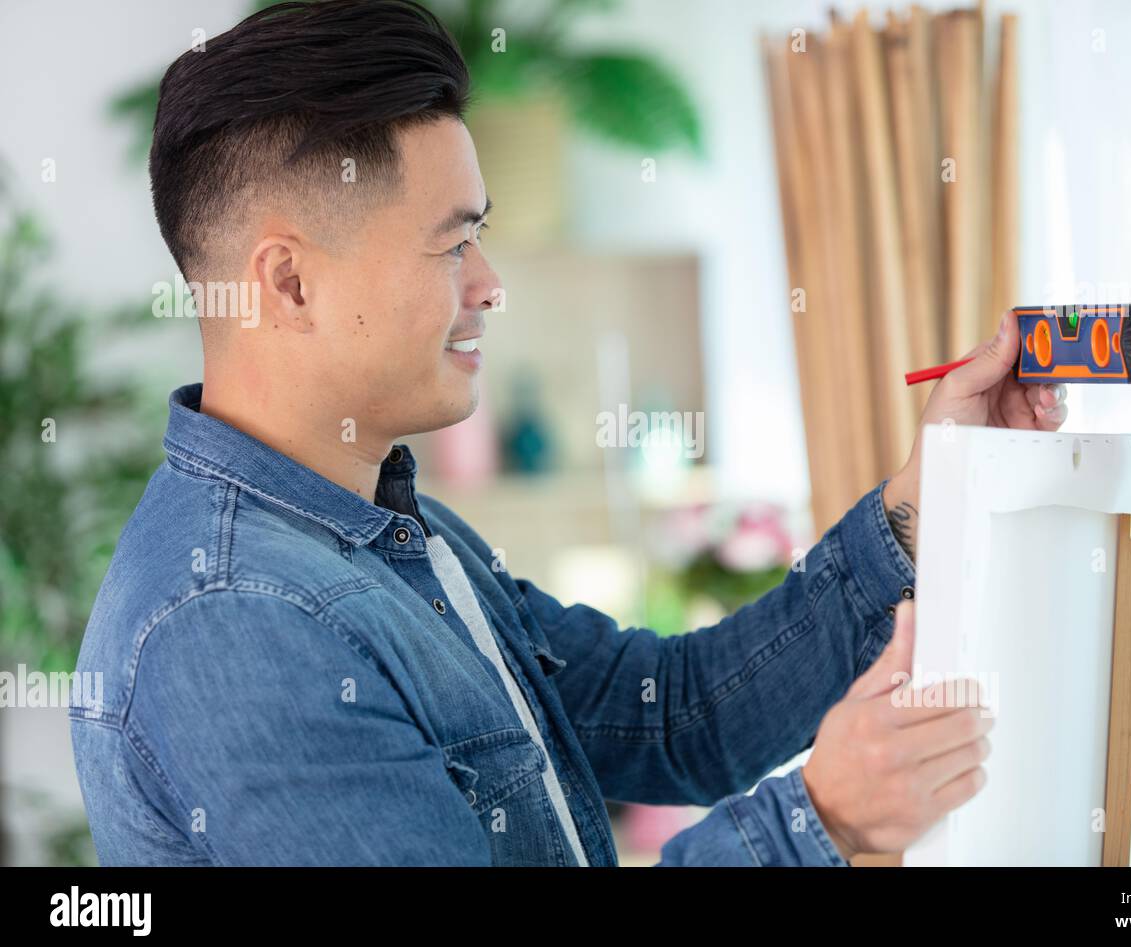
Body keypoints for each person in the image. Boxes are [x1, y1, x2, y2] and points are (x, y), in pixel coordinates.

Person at [70, 0, 1067, 866]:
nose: (489, 282)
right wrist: (821, 817)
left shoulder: (398, 535)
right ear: (289, 282)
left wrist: (913, 506)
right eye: (453, 241)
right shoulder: (238, 619)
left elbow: (672, 714)